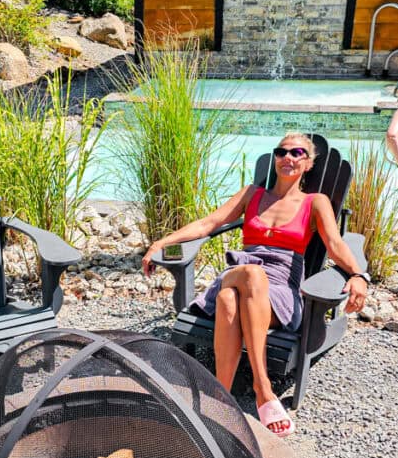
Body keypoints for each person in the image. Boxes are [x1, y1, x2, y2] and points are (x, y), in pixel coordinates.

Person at [142, 133, 370, 436]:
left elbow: (336, 245)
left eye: (297, 152)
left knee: (228, 301)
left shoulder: (316, 202)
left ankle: (221, 398)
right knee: (250, 274)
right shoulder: (252, 194)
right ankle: (263, 389)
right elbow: (209, 223)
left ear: (308, 163)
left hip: (282, 287)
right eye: (281, 151)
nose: (288, 157)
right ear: (275, 158)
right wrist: (163, 241)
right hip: (243, 271)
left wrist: (358, 275)